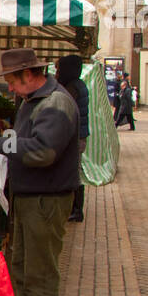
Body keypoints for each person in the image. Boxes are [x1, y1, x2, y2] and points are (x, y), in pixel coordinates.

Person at [0, 48, 80, 296]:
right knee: (21, 263)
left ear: (29, 75)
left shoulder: (55, 103)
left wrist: (0, 143)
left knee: (40, 268)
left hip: (45, 199)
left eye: (12, 81)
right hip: (29, 196)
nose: (9, 88)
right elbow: (25, 138)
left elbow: (43, 151)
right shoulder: (31, 101)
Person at [56, 55, 90, 223]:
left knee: (73, 171)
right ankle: (76, 209)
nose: (56, 72)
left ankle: (76, 210)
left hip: (75, 137)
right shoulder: (79, 84)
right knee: (75, 170)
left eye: (59, 68)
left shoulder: (72, 87)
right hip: (80, 135)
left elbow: (63, 108)